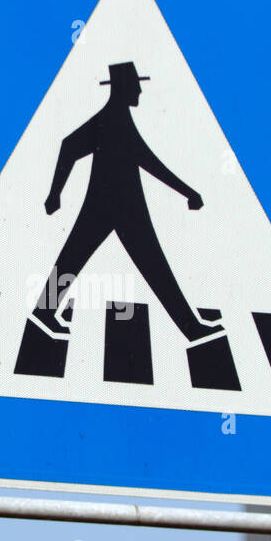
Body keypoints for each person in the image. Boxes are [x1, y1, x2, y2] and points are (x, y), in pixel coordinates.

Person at [30, 61, 225, 344]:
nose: (140, 92)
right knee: (154, 267)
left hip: (112, 205)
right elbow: (70, 146)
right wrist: (54, 193)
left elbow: (145, 160)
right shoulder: (112, 120)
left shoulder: (118, 119)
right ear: (124, 87)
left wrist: (188, 192)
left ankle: (44, 311)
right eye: (136, 85)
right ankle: (190, 327)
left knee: (77, 257)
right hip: (118, 207)